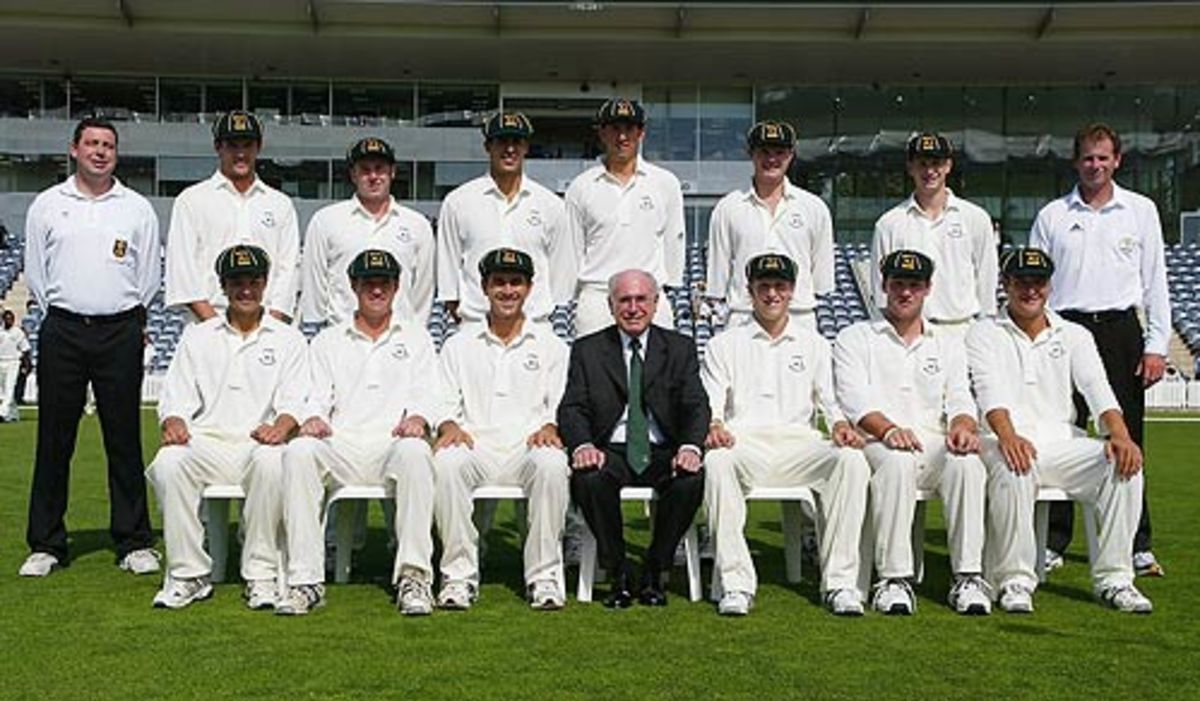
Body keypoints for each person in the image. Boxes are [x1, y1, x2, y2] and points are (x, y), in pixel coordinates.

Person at [966, 247, 1151, 614]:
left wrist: (1119, 434)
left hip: (1060, 440)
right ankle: (1014, 580)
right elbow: (990, 395)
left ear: (1050, 286)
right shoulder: (983, 332)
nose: (1030, 290)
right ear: (1005, 284)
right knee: (1015, 463)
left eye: (1039, 282)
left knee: (1123, 464)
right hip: (1001, 441)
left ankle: (1115, 579)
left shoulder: (1074, 334)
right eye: (1021, 281)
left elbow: (1098, 389)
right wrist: (1008, 435)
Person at [19, 117, 161, 578]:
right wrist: (68, 313)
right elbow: (37, 274)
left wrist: (123, 317)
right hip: (63, 330)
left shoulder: (136, 208)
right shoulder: (47, 205)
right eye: (92, 144)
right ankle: (46, 544)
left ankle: (134, 540)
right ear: (74, 150)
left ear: (116, 154)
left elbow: (147, 279)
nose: (100, 151)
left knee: (124, 439)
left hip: (119, 331)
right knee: (54, 440)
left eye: (108, 145)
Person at [1029, 123, 1168, 578]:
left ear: (1117, 160)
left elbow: (1156, 283)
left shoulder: (1141, 211)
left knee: (1127, 437)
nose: (1095, 165)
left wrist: (1156, 346)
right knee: (1060, 433)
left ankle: (1135, 542)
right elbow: (1032, 284)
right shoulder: (1052, 215)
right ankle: (1053, 539)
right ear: (1076, 161)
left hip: (1120, 330)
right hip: (1064, 330)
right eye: (1088, 157)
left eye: (1103, 157)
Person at [703, 253, 869, 617]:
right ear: (750, 292)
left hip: (800, 445)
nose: (772, 294)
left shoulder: (816, 344)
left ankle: (840, 582)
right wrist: (714, 425)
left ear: (792, 291)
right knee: (716, 460)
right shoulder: (724, 344)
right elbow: (713, 402)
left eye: (780, 286)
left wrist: (841, 424)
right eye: (764, 286)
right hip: (745, 444)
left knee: (852, 460)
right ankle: (735, 583)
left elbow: (830, 403)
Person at [147, 244, 308, 610]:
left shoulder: (289, 339)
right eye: (237, 282)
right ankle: (189, 573)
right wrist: (173, 421)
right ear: (223, 286)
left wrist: (281, 426)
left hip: (259, 442)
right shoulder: (198, 336)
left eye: (253, 281)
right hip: (209, 441)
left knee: (271, 462)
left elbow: (296, 401)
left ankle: (260, 574)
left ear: (265, 284)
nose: (246, 290)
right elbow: (176, 397)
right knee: (169, 463)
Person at [279, 249, 439, 616]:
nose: (376, 290)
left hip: (392, 442)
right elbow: (315, 395)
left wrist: (417, 417)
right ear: (354, 286)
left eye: (384, 283)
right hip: (343, 443)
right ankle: (306, 580)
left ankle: (414, 577)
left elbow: (427, 394)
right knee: (300, 451)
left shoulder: (417, 338)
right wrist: (315, 418)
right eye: (368, 283)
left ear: (397, 287)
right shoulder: (328, 341)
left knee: (417, 452)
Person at [833, 250, 990, 616]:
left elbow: (960, 398)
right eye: (898, 284)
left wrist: (963, 428)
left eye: (914, 285)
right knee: (898, 460)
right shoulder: (856, 337)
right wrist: (888, 430)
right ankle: (893, 579)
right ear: (884, 286)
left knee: (968, 463)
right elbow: (853, 399)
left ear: (927, 288)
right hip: (876, 443)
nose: (906, 293)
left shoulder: (947, 342)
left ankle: (967, 576)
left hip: (932, 441)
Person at [557, 269, 708, 608]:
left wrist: (689, 447)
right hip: (610, 448)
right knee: (589, 478)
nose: (633, 307)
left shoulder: (680, 348)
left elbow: (696, 405)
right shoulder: (588, 349)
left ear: (656, 304)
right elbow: (572, 407)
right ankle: (619, 571)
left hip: (662, 449)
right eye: (624, 300)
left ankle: (656, 568)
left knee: (690, 479)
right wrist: (582, 446)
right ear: (611, 306)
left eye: (642, 299)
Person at [433, 248, 570, 610]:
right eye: (499, 282)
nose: (507, 291)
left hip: (528, 444)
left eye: (515, 282)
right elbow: (444, 405)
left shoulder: (552, 346)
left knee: (553, 464)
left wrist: (551, 425)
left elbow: (561, 404)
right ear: (484, 287)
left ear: (529, 288)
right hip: (477, 444)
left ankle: (543, 577)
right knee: (446, 462)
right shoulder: (458, 345)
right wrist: (449, 426)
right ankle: (458, 576)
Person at [436, 112, 573, 325]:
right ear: (487, 146)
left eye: (516, 142)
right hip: (476, 328)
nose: (510, 149)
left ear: (526, 147)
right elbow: (448, 281)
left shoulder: (551, 205)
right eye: (502, 141)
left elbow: (562, 283)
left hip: (535, 329)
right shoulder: (458, 202)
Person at [166, 110, 300, 323]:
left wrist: (269, 325)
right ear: (218, 147)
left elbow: (288, 270)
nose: (240, 154)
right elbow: (182, 270)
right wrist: (215, 327)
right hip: (207, 324)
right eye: (232, 145)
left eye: (247, 145)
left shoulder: (280, 204)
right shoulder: (191, 200)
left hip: (267, 326)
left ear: (258, 147)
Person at [565, 98, 685, 336]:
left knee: (657, 373)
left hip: (650, 299)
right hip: (598, 299)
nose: (622, 137)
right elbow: (572, 251)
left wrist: (663, 286)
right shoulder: (581, 187)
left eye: (629, 128)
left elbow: (674, 244)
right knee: (595, 373)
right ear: (602, 133)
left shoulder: (665, 183)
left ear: (641, 133)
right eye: (614, 129)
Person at [705, 120, 834, 330]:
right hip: (743, 317)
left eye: (779, 152)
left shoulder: (814, 208)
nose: (772, 159)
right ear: (751, 154)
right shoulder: (728, 208)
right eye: (764, 151)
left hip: (798, 316)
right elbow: (717, 279)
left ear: (791, 154)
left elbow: (821, 281)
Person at [300, 136, 434, 327]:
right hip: (341, 335)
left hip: (399, 336)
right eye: (365, 170)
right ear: (353, 175)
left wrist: (414, 332)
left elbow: (423, 291)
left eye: (380, 168)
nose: (373, 177)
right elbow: (314, 288)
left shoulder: (417, 225)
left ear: (392, 172)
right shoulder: (326, 221)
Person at [870, 132, 998, 332]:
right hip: (909, 331)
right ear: (910, 167)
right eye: (922, 163)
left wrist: (985, 329)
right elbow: (881, 292)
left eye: (936, 163)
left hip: (962, 329)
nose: (930, 171)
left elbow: (987, 278)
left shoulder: (975, 218)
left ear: (948, 166)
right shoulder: (889, 224)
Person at [0, 309, 31, 421]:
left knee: (10, 387)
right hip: (1, 361)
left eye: (11, 319)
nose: (9, 321)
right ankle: (13, 414)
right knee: (4, 390)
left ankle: (2, 412)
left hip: (13, 362)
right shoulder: (0, 331)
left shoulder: (17, 332)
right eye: (6, 318)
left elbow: (26, 350)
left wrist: (27, 366)